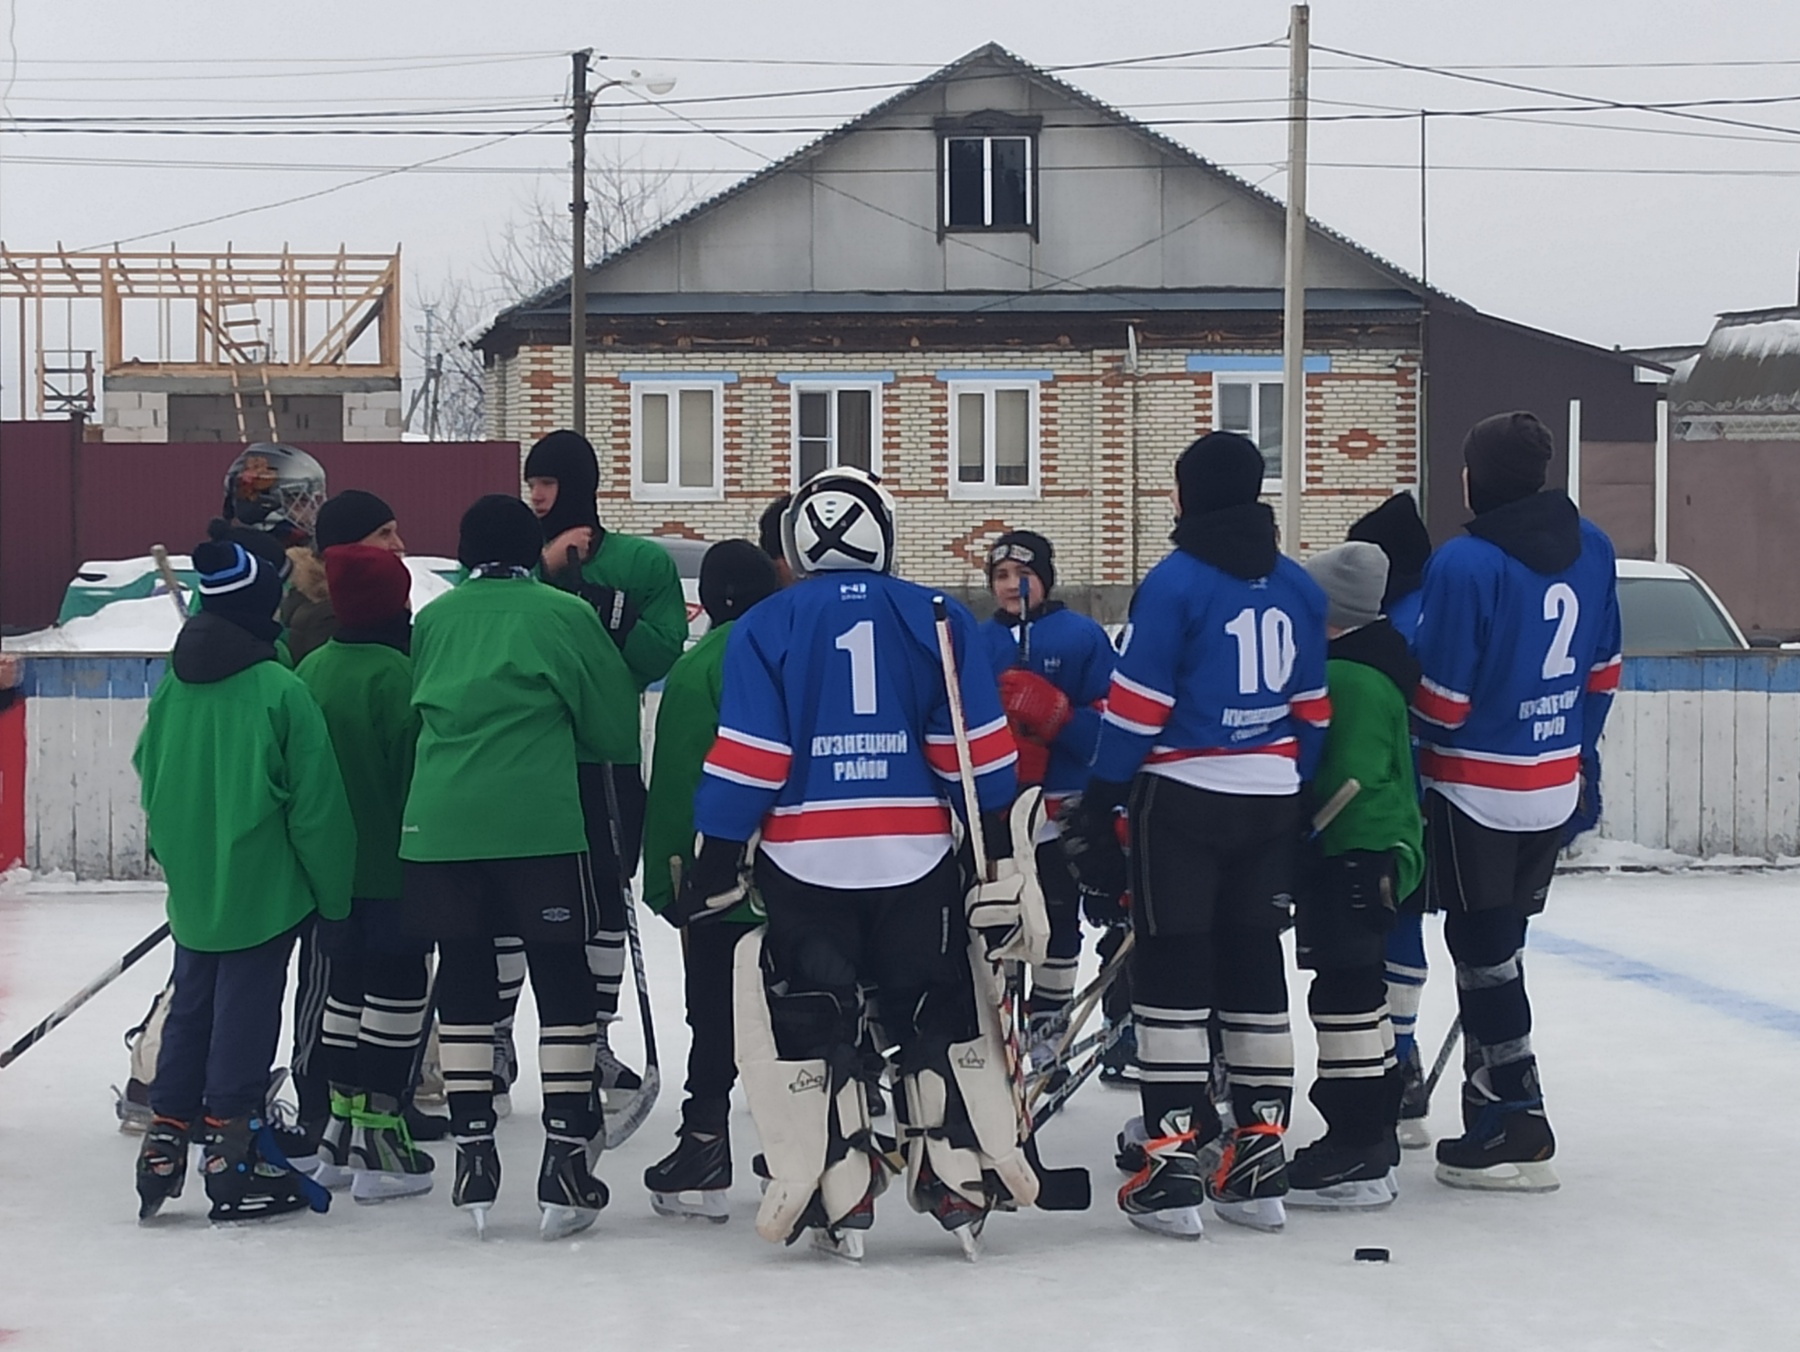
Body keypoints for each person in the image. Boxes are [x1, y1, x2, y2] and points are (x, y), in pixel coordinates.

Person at [678, 467, 1042, 1261]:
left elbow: (752, 760)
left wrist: (712, 859)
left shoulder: (766, 625)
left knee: (819, 1017)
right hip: (914, 855)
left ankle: (840, 1181)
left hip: (803, 857)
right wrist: (996, 846)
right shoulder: (938, 616)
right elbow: (971, 753)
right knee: (926, 1013)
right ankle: (952, 1171)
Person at [1066, 431, 1330, 1241]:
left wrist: (1101, 802)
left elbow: (1137, 710)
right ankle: (1257, 1163)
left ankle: (1173, 1164)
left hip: (1180, 796)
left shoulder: (1175, 582)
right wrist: (1293, 788)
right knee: (1254, 962)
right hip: (1270, 797)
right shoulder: (1298, 585)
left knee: (1174, 967)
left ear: (1183, 497)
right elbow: (1312, 713)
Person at [400, 494, 641, 1240]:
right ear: (532, 548)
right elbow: (610, 728)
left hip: (438, 827)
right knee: (561, 978)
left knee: (468, 975)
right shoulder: (562, 616)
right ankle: (566, 1152)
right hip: (537, 824)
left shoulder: (433, 619)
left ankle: (474, 1151)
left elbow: (417, 706)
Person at [1412, 411, 1619, 1193]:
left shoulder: (1464, 563)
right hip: (1551, 781)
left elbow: (1444, 701)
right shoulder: (1594, 547)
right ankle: (1488, 1103)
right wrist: (1574, 750)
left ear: (1478, 477)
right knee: (1499, 948)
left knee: (1483, 953)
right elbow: (1603, 669)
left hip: (1475, 788)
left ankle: (1515, 1114)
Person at [131, 531, 354, 1224]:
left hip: (197, 885)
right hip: (265, 889)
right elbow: (316, 809)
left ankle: (166, 1136)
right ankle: (232, 1141)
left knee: (194, 1000)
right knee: (246, 1012)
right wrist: (333, 894)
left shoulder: (175, 686)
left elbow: (149, 774)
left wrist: (177, 857)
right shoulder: (279, 691)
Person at [511, 429, 685, 1134]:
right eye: (531, 484)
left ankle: (598, 1041)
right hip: (529, 759)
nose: (538, 496)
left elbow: (654, 650)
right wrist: (551, 579)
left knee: (604, 901)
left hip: (605, 757)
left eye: (548, 482)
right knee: (515, 902)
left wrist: (599, 607)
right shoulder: (514, 561)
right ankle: (492, 1043)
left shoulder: (640, 561)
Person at [639, 540, 781, 1221]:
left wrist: (670, 880)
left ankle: (704, 1145)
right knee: (797, 1015)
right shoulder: (792, 651)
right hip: (804, 873)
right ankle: (801, 1146)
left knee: (716, 1020)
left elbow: (677, 784)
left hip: (722, 881)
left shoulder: (697, 671)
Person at [1286, 541, 1424, 1210]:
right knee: (1358, 995)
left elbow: (1350, 776)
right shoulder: (1379, 666)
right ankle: (1371, 1136)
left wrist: (1298, 828)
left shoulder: (1350, 678)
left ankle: (1358, 1143)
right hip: (1374, 851)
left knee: (1344, 998)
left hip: (1355, 854)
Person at [295, 543, 433, 1203]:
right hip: (393, 867)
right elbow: (417, 777)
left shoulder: (312, 670)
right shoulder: (401, 677)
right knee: (398, 995)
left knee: (342, 997)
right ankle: (382, 1137)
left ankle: (337, 1134)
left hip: (330, 877)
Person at [975, 531, 1118, 1041]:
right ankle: (1004, 1033)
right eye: (1001, 576)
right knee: (1002, 920)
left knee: (1058, 921)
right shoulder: (978, 641)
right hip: (996, 815)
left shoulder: (1082, 637)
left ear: (1047, 578)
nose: (1013, 585)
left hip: (1059, 817)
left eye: (1024, 574)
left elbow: (1111, 732)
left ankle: (1049, 1031)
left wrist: (1060, 717)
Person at [1347, 491, 1436, 1146]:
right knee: (1409, 924)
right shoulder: (1438, 601)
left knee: (1383, 923)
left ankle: (1386, 1060)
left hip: (1393, 796)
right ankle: (1401, 1059)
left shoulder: (1395, 620)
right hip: (1446, 789)